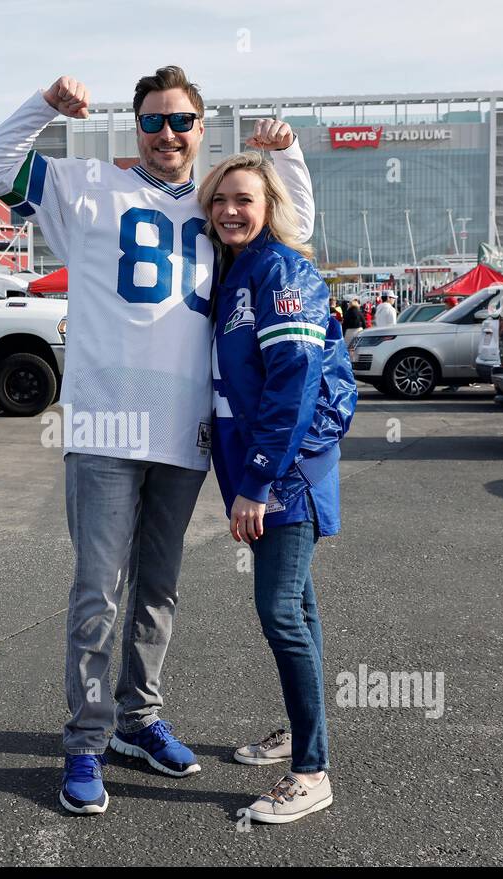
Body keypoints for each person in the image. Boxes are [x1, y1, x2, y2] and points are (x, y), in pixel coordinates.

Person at [0, 67, 316, 816]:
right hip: (103, 421)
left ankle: (139, 718)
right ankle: (86, 743)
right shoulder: (87, 186)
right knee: (99, 591)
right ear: (137, 127)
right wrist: (41, 106)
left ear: (202, 126)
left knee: (158, 591)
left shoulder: (216, 204)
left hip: (183, 431)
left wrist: (288, 157)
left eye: (183, 121)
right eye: (156, 121)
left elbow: (297, 228)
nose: (169, 134)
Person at [201, 151, 357, 823]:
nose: (230, 210)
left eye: (244, 199)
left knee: (279, 614)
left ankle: (312, 771)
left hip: (286, 471)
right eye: (220, 200)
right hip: (262, 468)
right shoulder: (238, 273)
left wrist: (259, 481)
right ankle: (301, 733)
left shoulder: (282, 270)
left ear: (269, 207)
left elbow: (294, 381)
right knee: (301, 609)